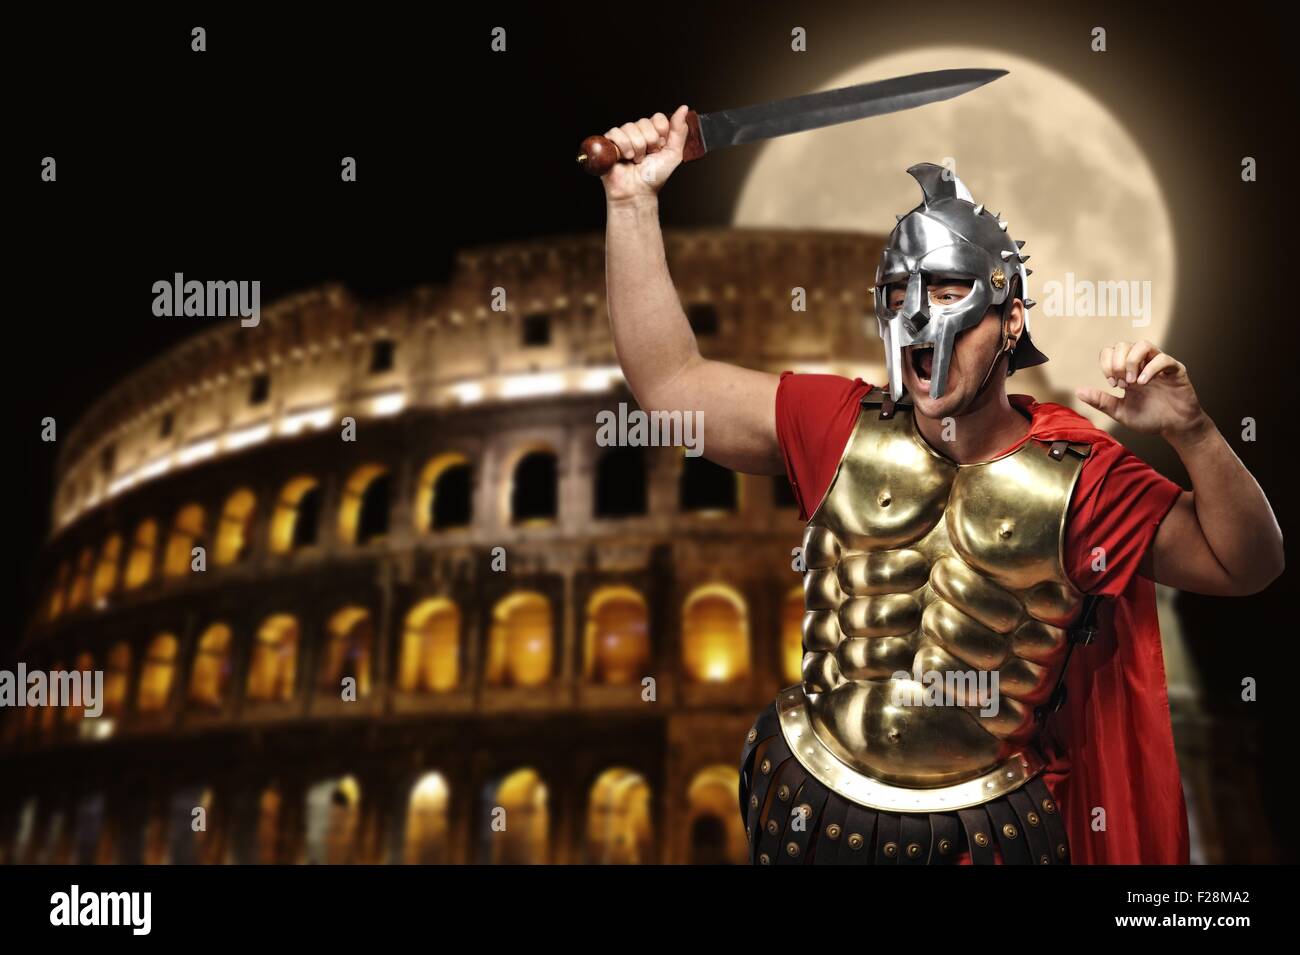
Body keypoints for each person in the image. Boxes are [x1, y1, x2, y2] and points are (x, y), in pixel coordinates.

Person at [599, 105, 1284, 864]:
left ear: (1012, 318)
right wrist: (633, 202)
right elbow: (670, 382)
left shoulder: (1078, 474)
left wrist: (1192, 431)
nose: (918, 318)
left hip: (983, 831)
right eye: (898, 294)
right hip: (812, 810)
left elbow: (1246, 562)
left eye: (948, 289)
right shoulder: (837, 424)